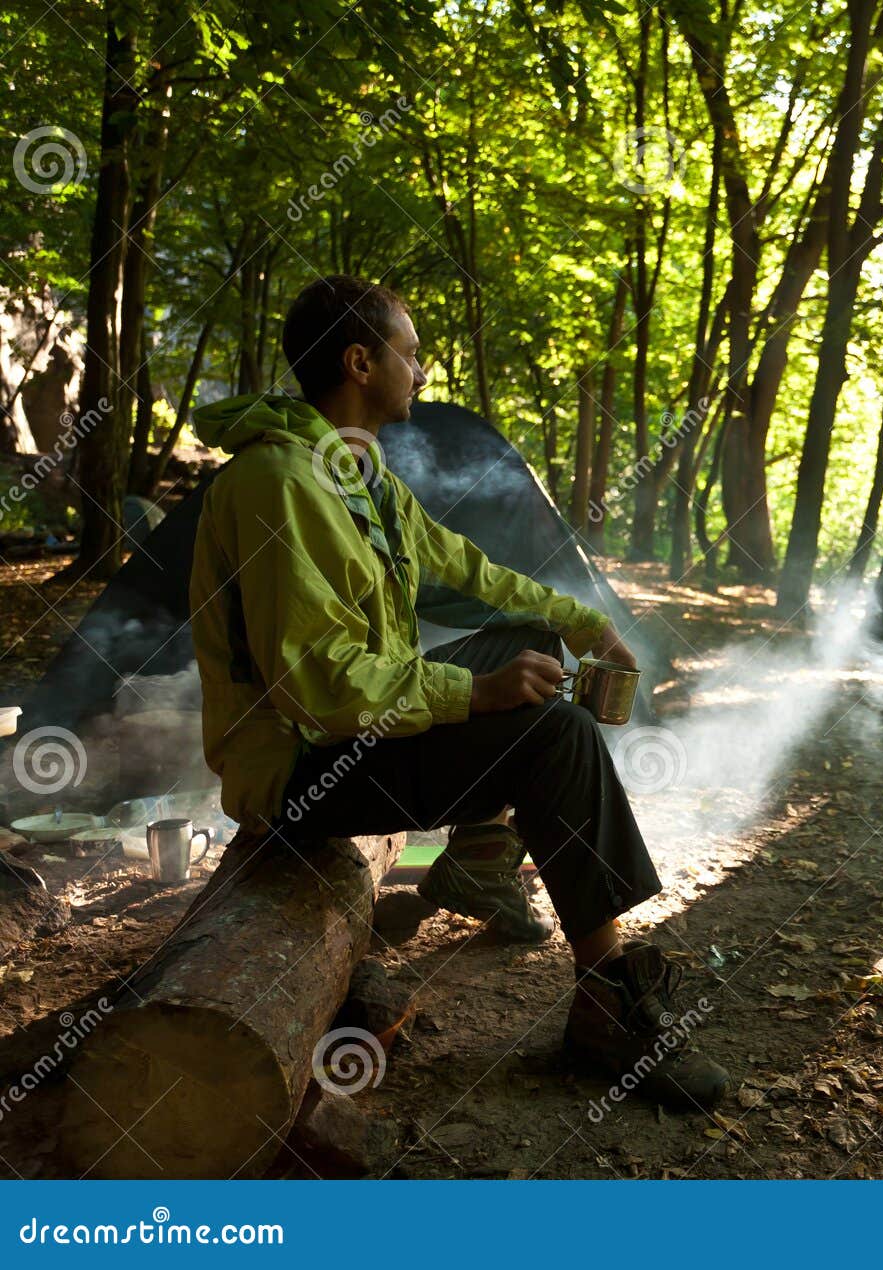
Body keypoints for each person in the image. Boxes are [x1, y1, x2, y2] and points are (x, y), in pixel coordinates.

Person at [187, 274, 727, 1111]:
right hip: (301, 770)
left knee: (528, 640)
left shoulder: (352, 469)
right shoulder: (280, 484)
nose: (422, 370)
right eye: (410, 353)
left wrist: (580, 622)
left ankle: (477, 867)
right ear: (360, 362)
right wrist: (474, 694)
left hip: (350, 737)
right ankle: (608, 1004)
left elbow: (456, 563)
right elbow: (318, 684)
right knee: (557, 734)